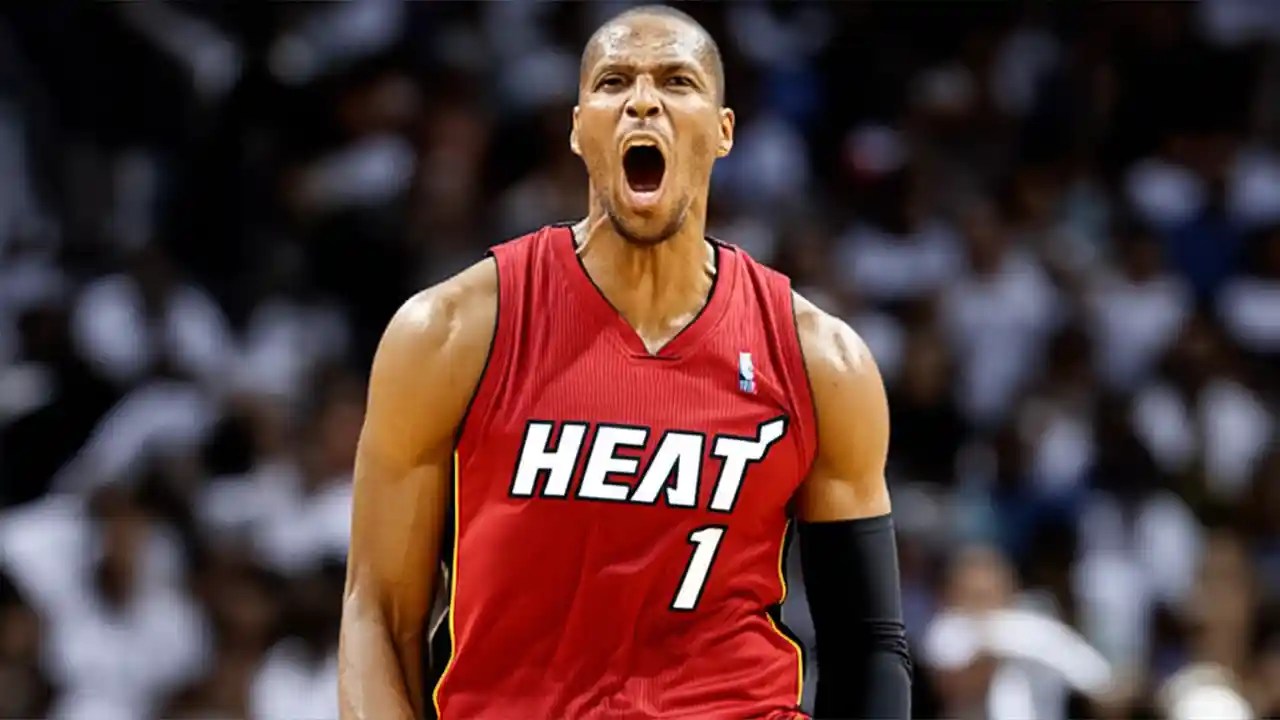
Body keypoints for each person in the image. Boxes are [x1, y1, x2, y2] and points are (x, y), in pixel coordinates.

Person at [338, 6, 911, 719]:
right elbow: (377, 617)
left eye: (677, 80)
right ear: (579, 129)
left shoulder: (819, 359)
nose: (644, 100)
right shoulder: (451, 331)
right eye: (614, 82)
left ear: (723, 131)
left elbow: (867, 645)